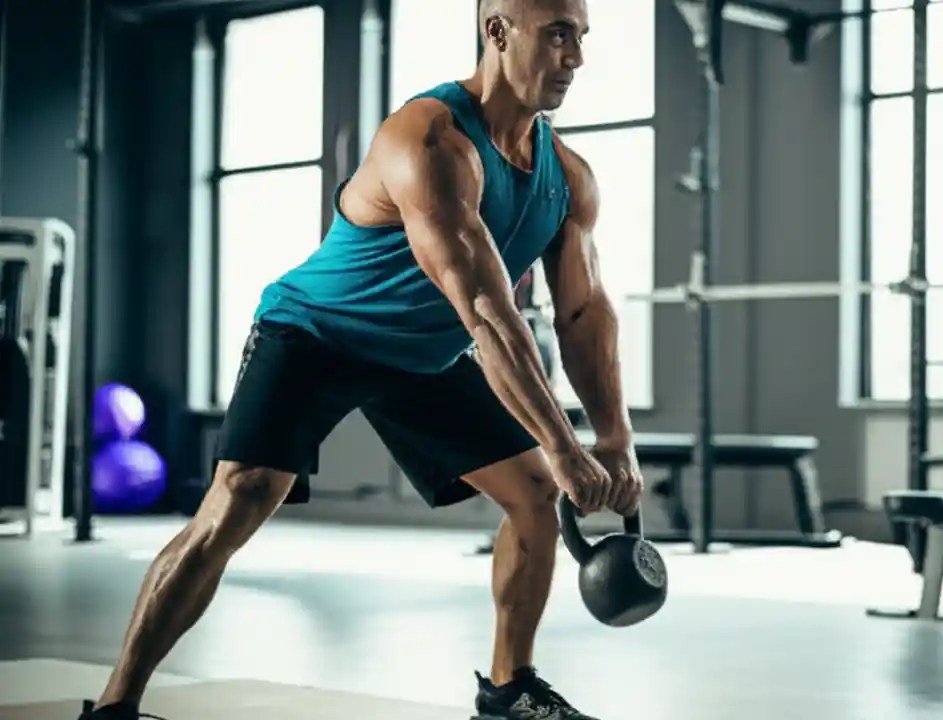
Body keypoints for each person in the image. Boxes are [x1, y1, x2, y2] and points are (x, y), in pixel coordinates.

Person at [79, 1, 638, 718]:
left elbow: (585, 312)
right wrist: (564, 443)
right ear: (497, 31)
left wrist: (615, 436)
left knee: (534, 498)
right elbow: (488, 310)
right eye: (559, 33)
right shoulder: (431, 140)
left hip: (424, 355)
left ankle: (508, 692)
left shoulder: (568, 177)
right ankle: (116, 708)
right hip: (317, 333)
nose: (577, 58)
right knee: (241, 498)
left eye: (582, 36)